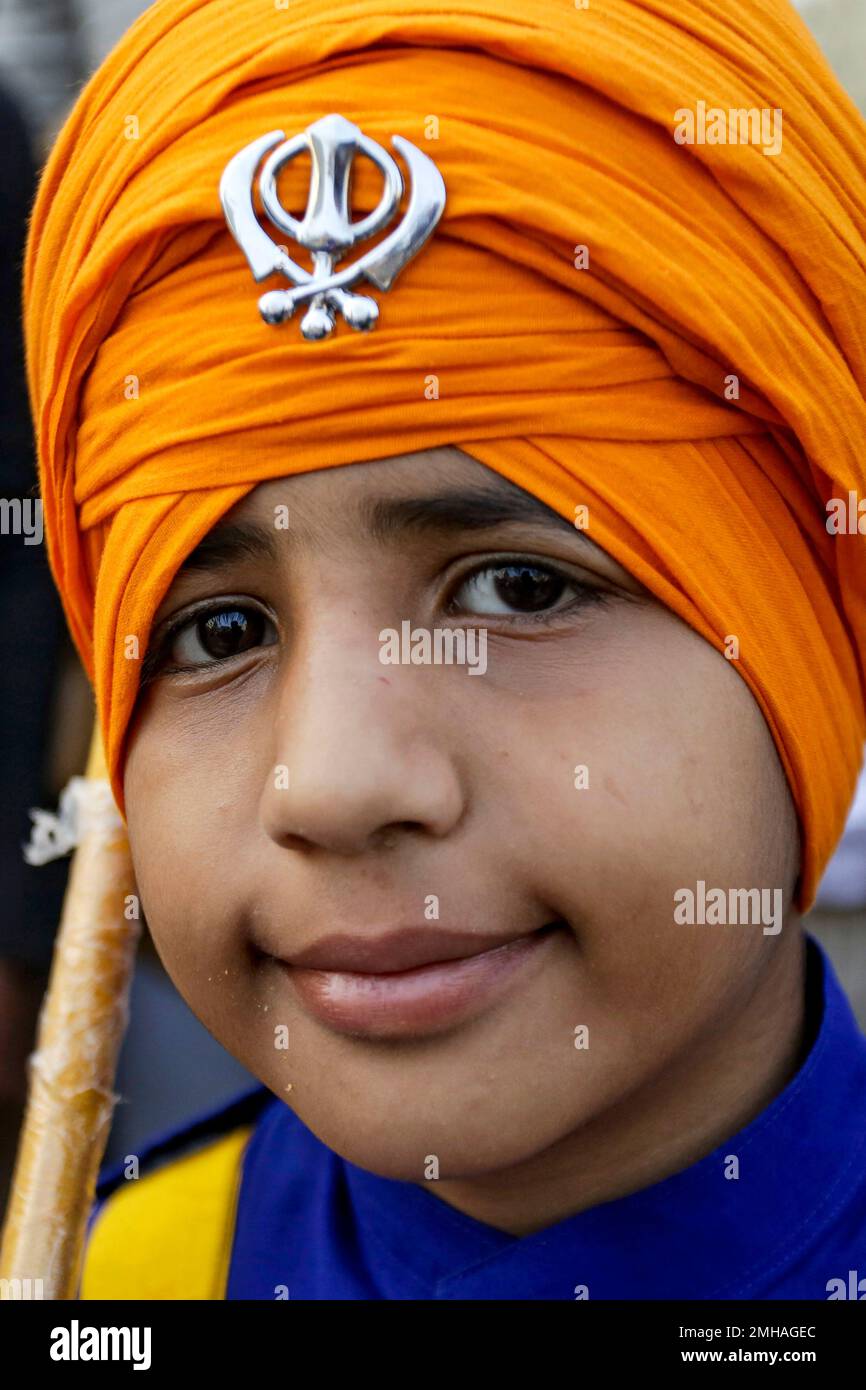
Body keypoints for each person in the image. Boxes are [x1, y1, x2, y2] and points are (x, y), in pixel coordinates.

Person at [22, 0, 866, 1299]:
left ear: (818, 635)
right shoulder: (125, 1274)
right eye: (221, 630)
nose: (333, 783)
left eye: (519, 588)